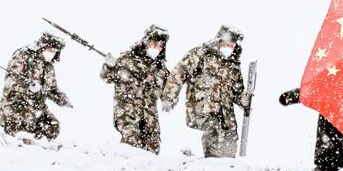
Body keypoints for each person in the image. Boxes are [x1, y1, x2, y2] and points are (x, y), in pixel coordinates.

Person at [161, 25, 250, 158]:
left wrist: (243, 100)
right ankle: (211, 165)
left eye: (232, 45)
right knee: (213, 134)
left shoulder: (233, 65)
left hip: (226, 115)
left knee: (229, 144)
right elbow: (178, 73)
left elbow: (237, 91)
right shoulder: (200, 54)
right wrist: (169, 96)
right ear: (219, 40)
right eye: (227, 43)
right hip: (203, 108)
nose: (229, 47)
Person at [101, 24, 170, 153]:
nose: (156, 48)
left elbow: (168, 88)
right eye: (154, 44)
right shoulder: (128, 59)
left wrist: (168, 99)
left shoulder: (161, 69)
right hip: (127, 111)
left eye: (160, 46)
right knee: (131, 143)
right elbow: (107, 77)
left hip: (150, 116)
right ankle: (123, 170)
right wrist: (109, 66)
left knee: (153, 148)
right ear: (146, 41)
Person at [0, 32, 72, 140]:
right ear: (43, 46)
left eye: (55, 51)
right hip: (17, 105)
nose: (52, 53)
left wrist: (62, 99)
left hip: (37, 107)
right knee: (23, 131)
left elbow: (51, 88)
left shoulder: (48, 66)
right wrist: (28, 87)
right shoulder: (23, 54)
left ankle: (39, 149)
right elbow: (11, 80)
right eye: (50, 49)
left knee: (52, 126)